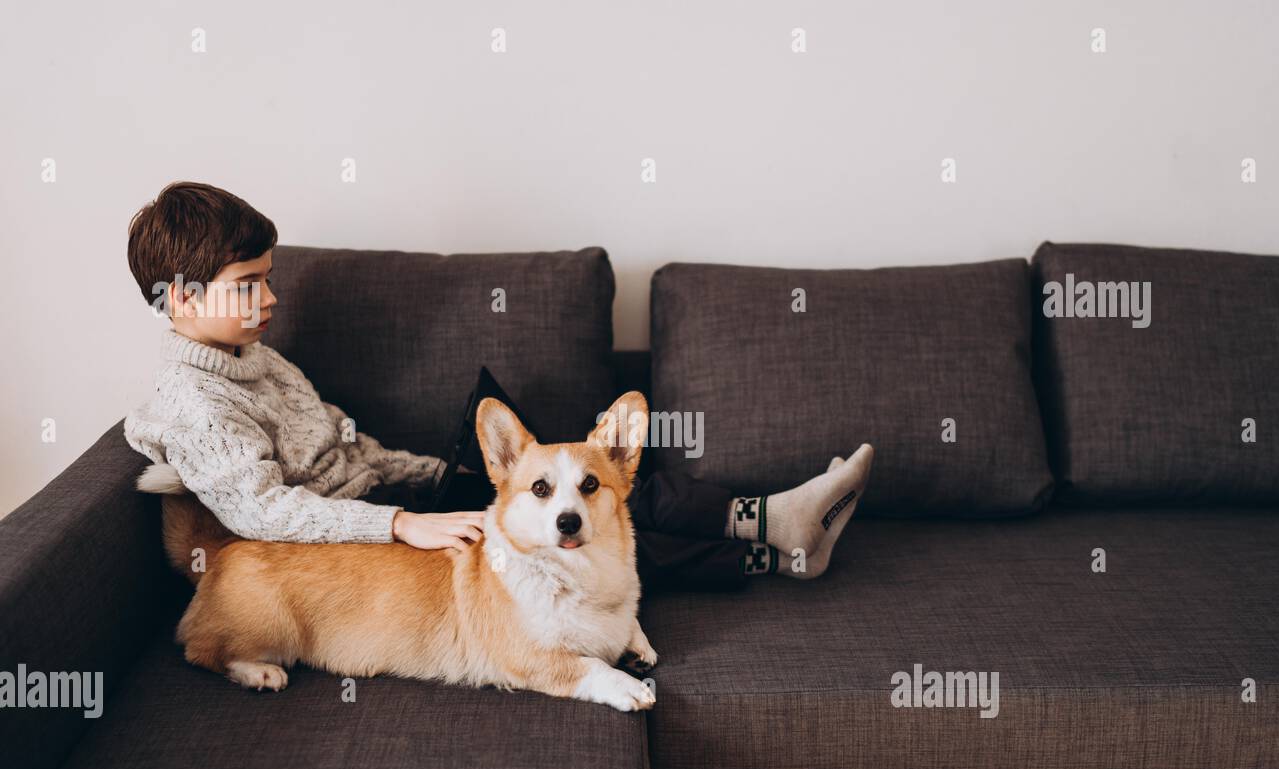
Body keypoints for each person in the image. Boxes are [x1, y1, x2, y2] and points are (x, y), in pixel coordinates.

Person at [123, 181, 872, 592]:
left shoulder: (262, 359)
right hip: (370, 541)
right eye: (247, 285)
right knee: (580, 528)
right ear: (182, 298)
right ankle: (773, 536)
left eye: (269, 280)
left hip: (396, 503)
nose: (270, 299)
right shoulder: (195, 401)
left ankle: (769, 526)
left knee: (589, 480)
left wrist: (432, 475)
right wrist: (401, 526)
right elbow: (264, 512)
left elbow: (352, 445)